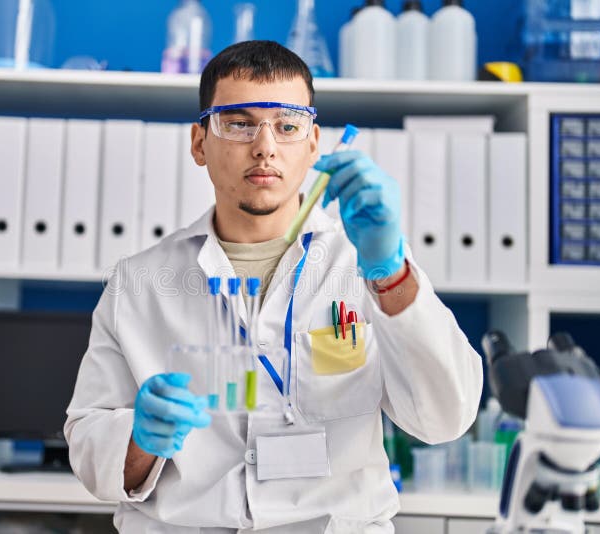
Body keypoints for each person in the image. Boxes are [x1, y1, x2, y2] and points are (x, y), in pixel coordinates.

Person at [65, 40, 483, 533]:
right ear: (200, 143)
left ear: (313, 144)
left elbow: (446, 418)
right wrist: (139, 439)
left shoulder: (368, 264)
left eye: (287, 126)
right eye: (239, 123)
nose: (265, 146)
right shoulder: (138, 283)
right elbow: (88, 441)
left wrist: (390, 273)